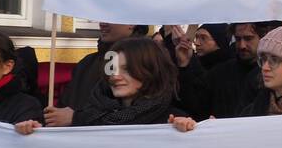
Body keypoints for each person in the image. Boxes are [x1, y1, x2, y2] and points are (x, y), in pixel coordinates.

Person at [16, 37, 195, 132]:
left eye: (127, 69)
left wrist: (189, 132)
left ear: (151, 71)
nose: (115, 76)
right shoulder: (85, 114)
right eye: (113, 69)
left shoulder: (171, 121)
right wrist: (33, 135)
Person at [45, 23, 148, 127]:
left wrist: (77, 118)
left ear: (131, 24)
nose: (102, 24)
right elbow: (67, 104)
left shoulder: (148, 59)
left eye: (126, 69)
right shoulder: (87, 63)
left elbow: (134, 115)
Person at [175, 20, 275, 118]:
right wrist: (185, 65)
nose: (242, 45)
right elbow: (195, 107)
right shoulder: (219, 73)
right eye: (238, 39)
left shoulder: (274, 74)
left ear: (262, 38)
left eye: (248, 38)